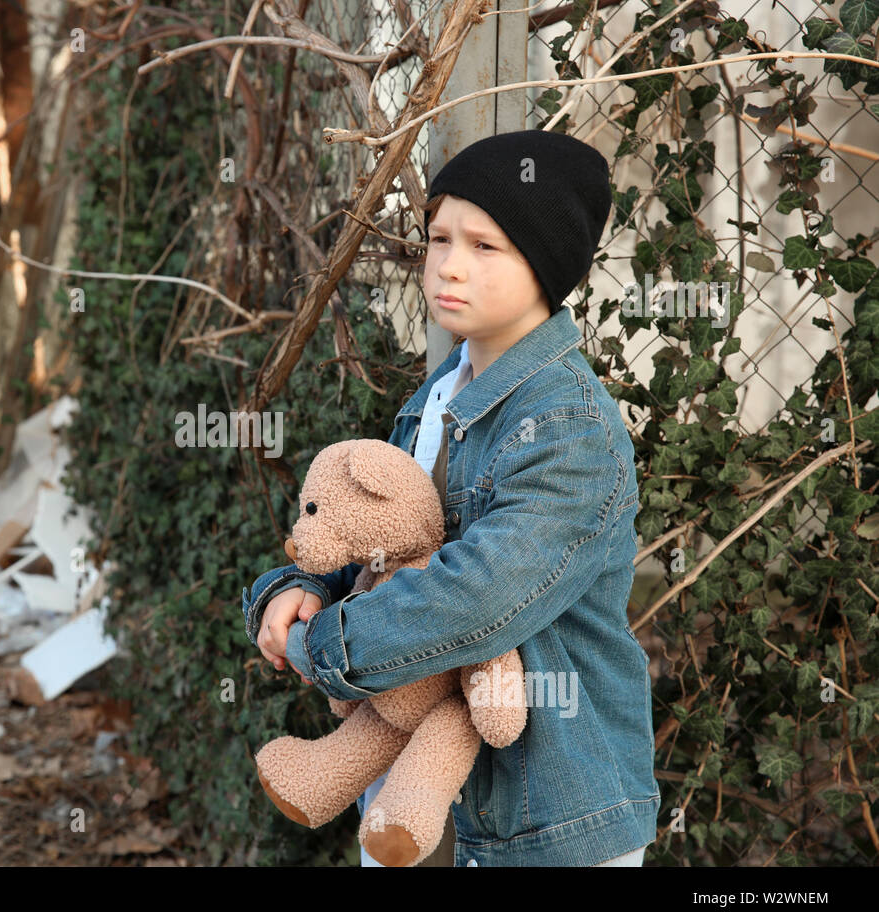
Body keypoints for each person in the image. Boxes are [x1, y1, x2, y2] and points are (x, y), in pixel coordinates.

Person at [242, 129, 659, 866]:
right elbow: (390, 533)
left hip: (545, 822)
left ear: (546, 262)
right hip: (414, 802)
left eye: (485, 246)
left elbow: (477, 600)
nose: (448, 267)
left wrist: (328, 648)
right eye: (439, 238)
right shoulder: (440, 393)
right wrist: (297, 589)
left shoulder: (570, 429)